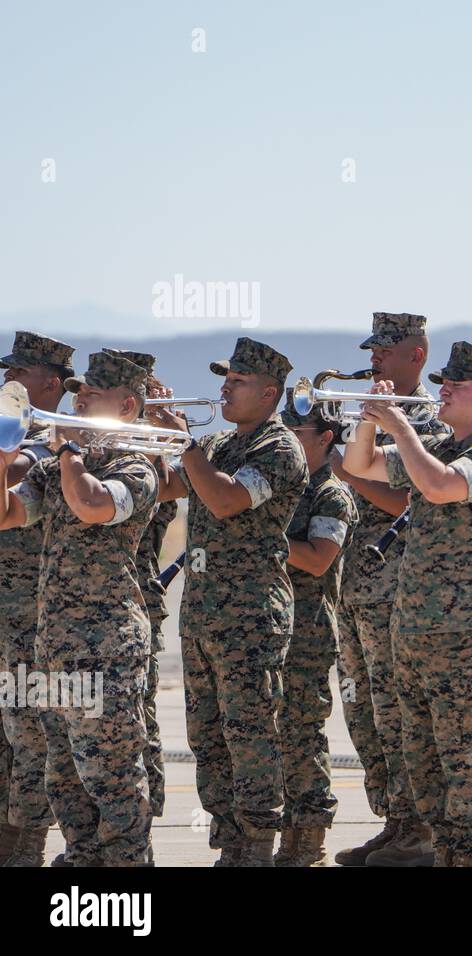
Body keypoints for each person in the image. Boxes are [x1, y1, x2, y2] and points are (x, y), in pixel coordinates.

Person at [342, 341, 472, 867]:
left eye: (456, 386)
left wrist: (401, 428)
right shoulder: (437, 446)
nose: (442, 392)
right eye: (441, 383)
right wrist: (371, 420)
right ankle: (442, 849)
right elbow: (361, 465)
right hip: (414, 626)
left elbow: (442, 489)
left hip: (463, 629)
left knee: (462, 752)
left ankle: (470, 854)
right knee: (419, 756)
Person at [152, 337, 310, 866]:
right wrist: (150, 433)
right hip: (201, 615)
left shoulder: (280, 448)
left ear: (269, 392)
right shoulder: (219, 445)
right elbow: (173, 487)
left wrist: (187, 445)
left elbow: (224, 500)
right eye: (225, 378)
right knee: (207, 737)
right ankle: (229, 844)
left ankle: (259, 846)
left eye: (237, 381)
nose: (225, 387)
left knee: (250, 736)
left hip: (251, 617)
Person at [0, 350, 159, 866]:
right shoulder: (55, 469)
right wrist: (3, 458)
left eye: (92, 394)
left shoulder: (135, 468)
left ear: (127, 405)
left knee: (110, 774)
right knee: (64, 775)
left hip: (107, 648)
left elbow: (92, 505)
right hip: (55, 648)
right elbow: (6, 514)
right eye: (77, 392)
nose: (77, 399)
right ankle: (84, 862)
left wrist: (68, 452)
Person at [331, 312, 447, 867]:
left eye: (385, 350)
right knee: (367, 715)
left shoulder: (433, 424)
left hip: (401, 592)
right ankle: (396, 819)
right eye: (372, 350)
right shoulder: (369, 416)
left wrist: (349, 473)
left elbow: (416, 503)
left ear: (416, 356)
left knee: (402, 714)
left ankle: (420, 828)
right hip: (356, 586)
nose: (373, 358)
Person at [0, 331, 73, 866]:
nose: (7, 380)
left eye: (18, 373)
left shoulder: (56, 440)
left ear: (51, 383)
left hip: (31, 612)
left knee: (30, 736)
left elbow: (19, 481)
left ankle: (26, 845)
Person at [277, 400, 358, 866]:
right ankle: (280, 833)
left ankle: (308, 839)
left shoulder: (331, 493)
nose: (286, 437)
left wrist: (264, 534)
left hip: (305, 632)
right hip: (269, 627)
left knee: (300, 734)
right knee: (269, 736)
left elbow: (317, 557)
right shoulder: (283, 487)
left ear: (325, 437)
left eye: (297, 429)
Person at [105, 347, 174, 826]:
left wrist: (160, 433)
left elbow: (167, 489)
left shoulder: (146, 464)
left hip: (135, 600)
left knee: (136, 720)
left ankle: (141, 823)